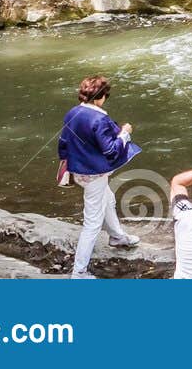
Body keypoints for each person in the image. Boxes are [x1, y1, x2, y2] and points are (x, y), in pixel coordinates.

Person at [56, 75, 142, 279]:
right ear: (100, 97)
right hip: (94, 175)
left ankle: (117, 237)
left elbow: (63, 143)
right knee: (92, 223)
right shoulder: (99, 119)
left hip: (78, 170)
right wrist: (125, 133)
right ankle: (79, 272)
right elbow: (111, 151)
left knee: (109, 199)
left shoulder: (72, 113)